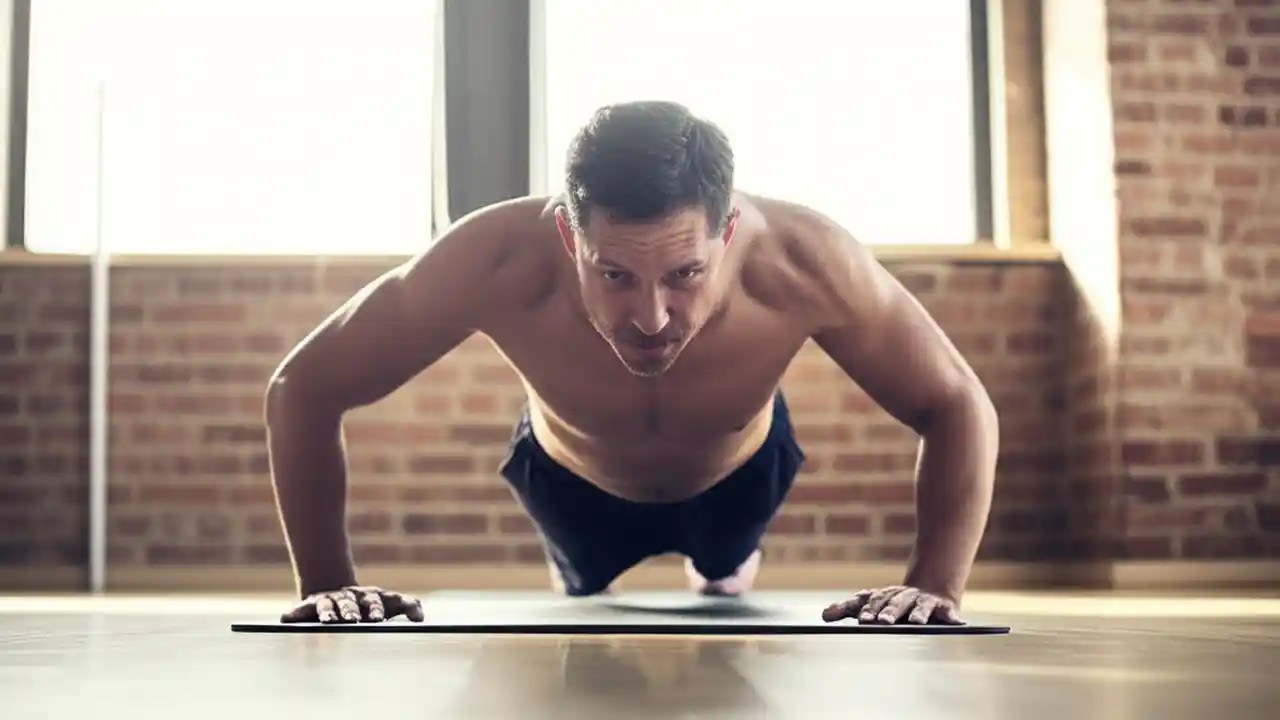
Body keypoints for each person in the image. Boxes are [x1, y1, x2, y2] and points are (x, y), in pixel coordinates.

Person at [267, 101, 999, 626]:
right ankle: (589, 566)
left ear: (728, 231)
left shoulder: (806, 260)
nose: (650, 319)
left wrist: (934, 586)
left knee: (724, 573)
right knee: (584, 595)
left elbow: (958, 402)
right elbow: (304, 387)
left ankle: (726, 569)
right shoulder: (490, 258)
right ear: (567, 234)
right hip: (569, 484)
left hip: (740, 478)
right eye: (614, 275)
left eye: (684, 274)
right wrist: (329, 584)